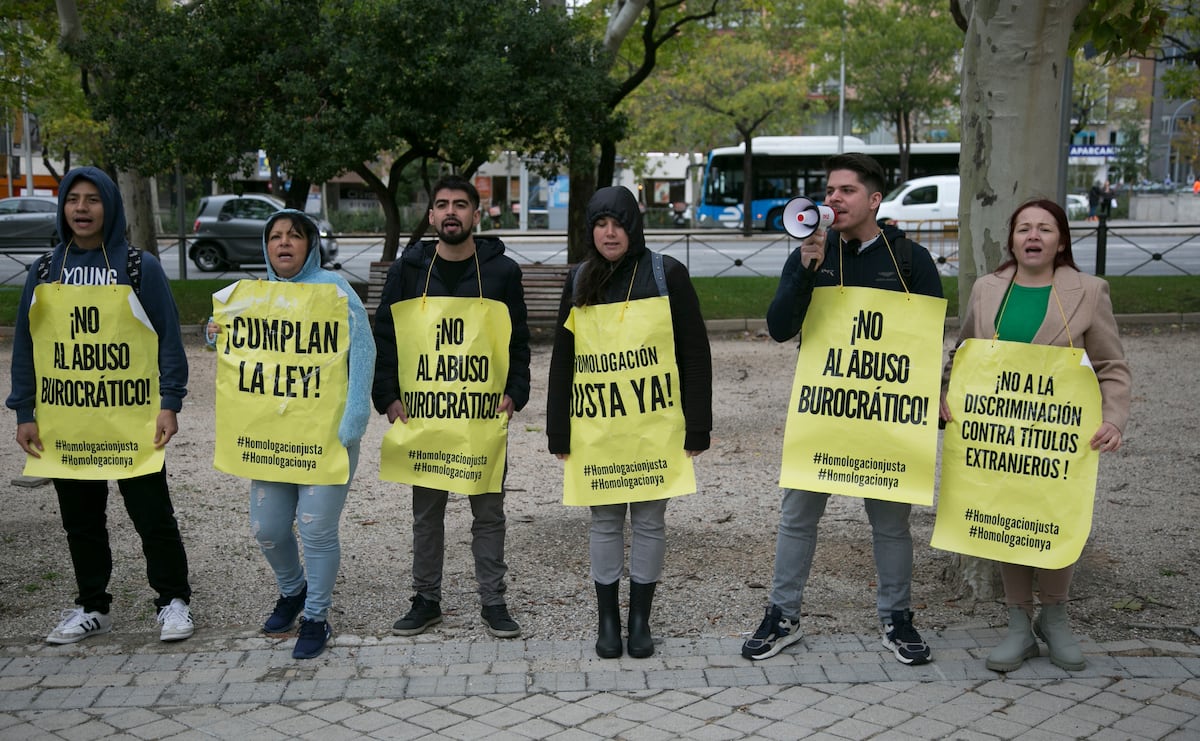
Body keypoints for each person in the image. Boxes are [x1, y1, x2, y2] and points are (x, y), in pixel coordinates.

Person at [741, 153, 943, 665]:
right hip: (824, 410)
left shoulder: (910, 260)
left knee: (891, 521)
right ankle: (782, 615)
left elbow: (926, 339)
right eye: (829, 189)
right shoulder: (811, 252)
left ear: (874, 200)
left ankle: (897, 618)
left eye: (846, 190)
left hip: (883, 414)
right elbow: (780, 326)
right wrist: (806, 268)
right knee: (798, 515)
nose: (832, 198)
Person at [940, 199, 1130, 672]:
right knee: (1007, 518)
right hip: (997, 435)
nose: (1033, 236)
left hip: (1060, 438)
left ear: (1061, 240)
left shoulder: (1089, 291)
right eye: (1024, 228)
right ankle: (1019, 626)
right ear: (1011, 239)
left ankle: (1056, 617)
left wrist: (1114, 418)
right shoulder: (987, 290)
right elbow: (962, 353)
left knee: (1057, 520)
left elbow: (1111, 365)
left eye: (1045, 228)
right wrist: (944, 393)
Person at [7, 166, 195, 644]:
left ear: (109, 206)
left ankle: (173, 601)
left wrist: (170, 400)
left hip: (132, 418)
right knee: (81, 521)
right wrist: (23, 411)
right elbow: (29, 345)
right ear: (63, 208)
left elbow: (168, 339)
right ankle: (92, 606)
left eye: (93, 199)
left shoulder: (139, 266)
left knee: (152, 514)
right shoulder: (46, 269)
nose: (82, 208)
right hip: (67, 421)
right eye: (74, 199)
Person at [546, 185, 713, 659]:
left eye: (618, 222)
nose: (609, 232)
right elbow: (565, 357)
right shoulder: (579, 279)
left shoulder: (667, 274)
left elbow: (694, 354)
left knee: (649, 520)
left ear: (634, 225)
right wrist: (559, 429)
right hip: (598, 426)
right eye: (600, 223)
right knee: (603, 519)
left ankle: (640, 619)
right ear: (590, 229)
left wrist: (697, 424)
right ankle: (608, 620)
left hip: (653, 423)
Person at [207, 210, 375, 659]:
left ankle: (316, 616)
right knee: (267, 528)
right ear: (265, 247)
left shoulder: (336, 292)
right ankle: (293, 589)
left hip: (326, 436)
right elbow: (234, 346)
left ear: (310, 245)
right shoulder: (252, 296)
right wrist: (215, 333)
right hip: (271, 438)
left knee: (317, 527)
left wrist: (356, 413)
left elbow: (364, 348)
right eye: (275, 237)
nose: (283, 243)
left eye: (293, 236)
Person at [372, 175, 530, 639]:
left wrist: (515, 392)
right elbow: (387, 336)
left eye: (461, 205)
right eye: (442, 205)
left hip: (482, 416)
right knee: (427, 513)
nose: (451, 213)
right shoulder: (408, 271)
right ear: (431, 215)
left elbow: (518, 341)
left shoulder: (502, 273)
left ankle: (493, 602)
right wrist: (388, 396)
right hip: (425, 415)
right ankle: (426, 599)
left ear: (476, 215)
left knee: (489, 511)